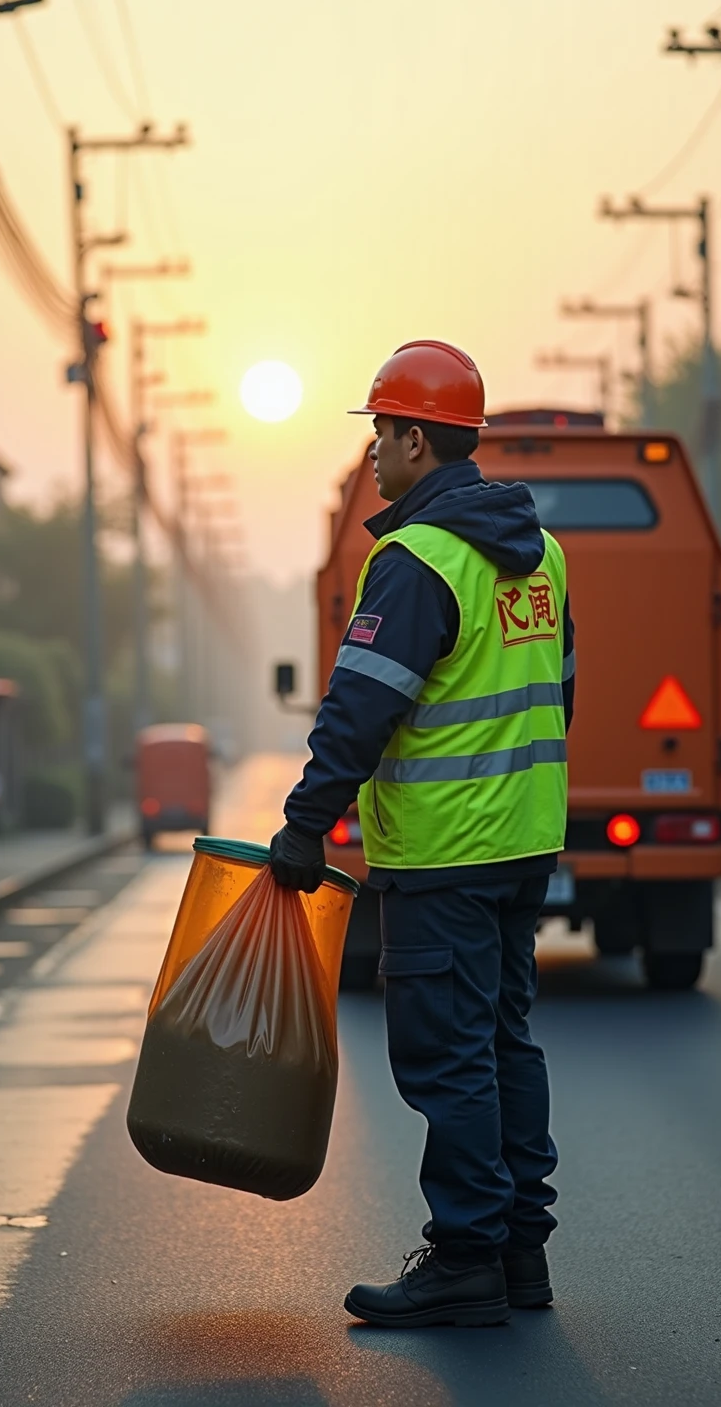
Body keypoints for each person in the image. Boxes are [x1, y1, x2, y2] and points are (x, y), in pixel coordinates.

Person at [269, 339, 574, 1329]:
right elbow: (558, 693)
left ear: (414, 439)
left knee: (448, 1060)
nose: (371, 454)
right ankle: (520, 1252)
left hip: (443, 853)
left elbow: (361, 710)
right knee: (501, 1042)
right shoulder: (544, 557)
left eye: (379, 434)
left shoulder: (413, 562)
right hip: (525, 844)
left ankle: (465, 1260)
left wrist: (304, 826)